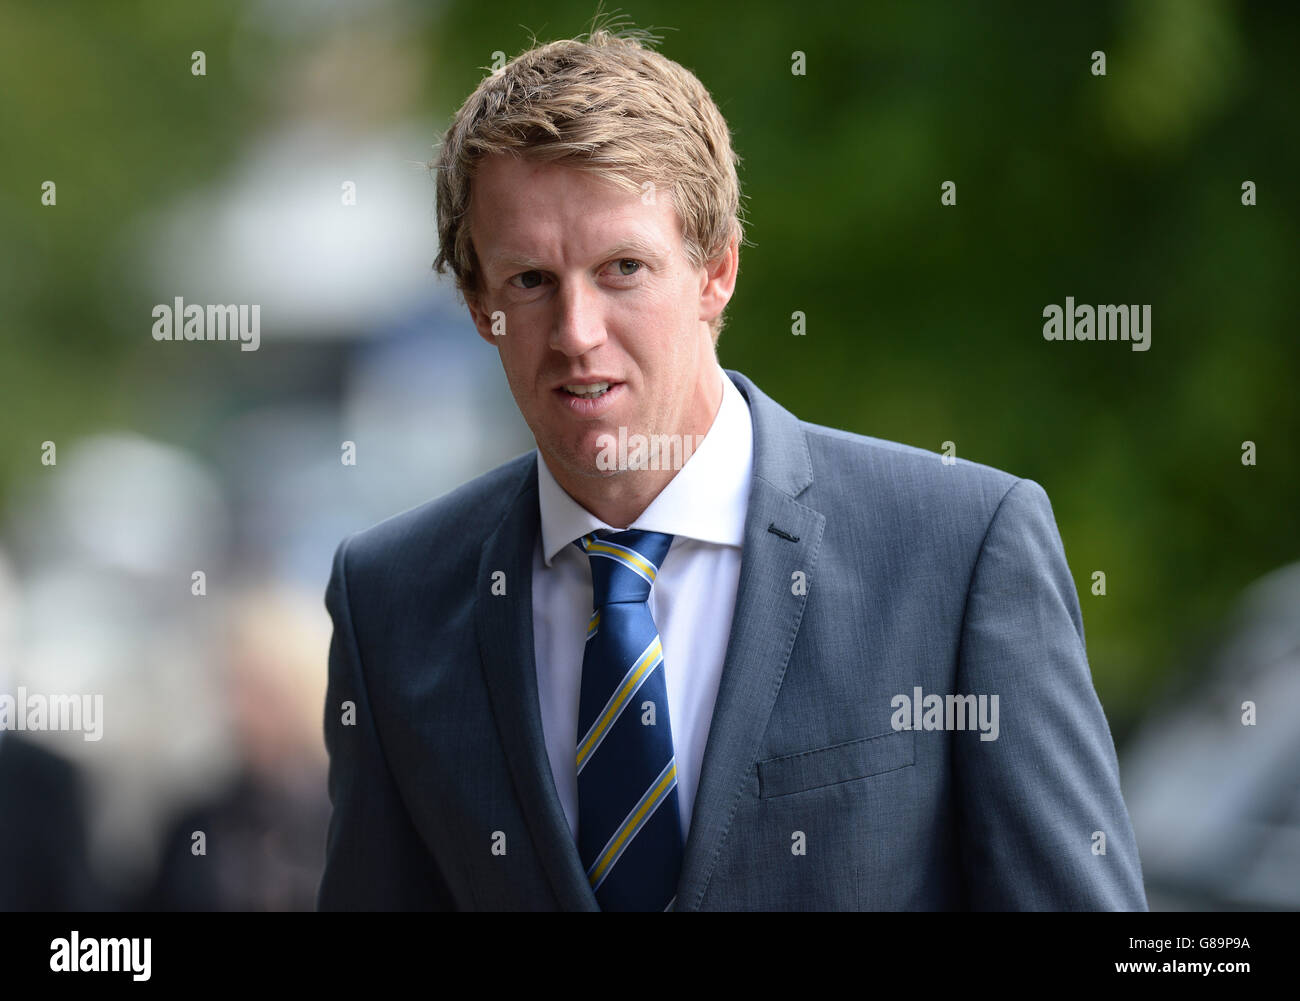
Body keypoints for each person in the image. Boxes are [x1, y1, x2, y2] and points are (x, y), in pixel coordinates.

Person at [317, 23, 1147, 911]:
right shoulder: (392, 600)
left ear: (717, 271)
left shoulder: (959, 552)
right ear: (478, 301)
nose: (576, 332)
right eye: (528, 281)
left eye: (622, 268)